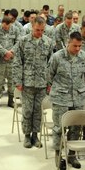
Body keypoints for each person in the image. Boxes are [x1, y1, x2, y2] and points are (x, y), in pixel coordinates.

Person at [47, 32, 85, 170]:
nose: (77, 49)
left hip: (78, 98)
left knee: (76, 127)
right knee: (59, 127)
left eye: (80, 46)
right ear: (68, 43)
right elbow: (49, 75)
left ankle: (72, 155)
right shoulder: (57, 57)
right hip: (61, 98)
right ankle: (58, 153)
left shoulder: (84, 57)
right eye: (74, 45)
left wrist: (79, 87)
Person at [13, 16, 55, 149]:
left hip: (42, 83)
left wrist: (50, 83)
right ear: (32, 26)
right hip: (27, 82)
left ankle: (35, 135)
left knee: (38, 111)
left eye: (42, 30)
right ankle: (26, 135)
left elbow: (51, 64)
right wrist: (18, 81)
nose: (40, 33)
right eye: (37, 30)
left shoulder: (48, 42)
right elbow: (17, 62)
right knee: (27, 110)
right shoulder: (23, 41)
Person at [0, 15, 21, 108]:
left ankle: (11, 100)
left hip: (12, 60)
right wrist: (5, 53)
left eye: (8, 27)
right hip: (0, 59)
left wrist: (11, 52)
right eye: (4, 27)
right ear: (2, 23)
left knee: (11, 81)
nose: (6, 28)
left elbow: (18, 42)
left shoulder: (15, 29)